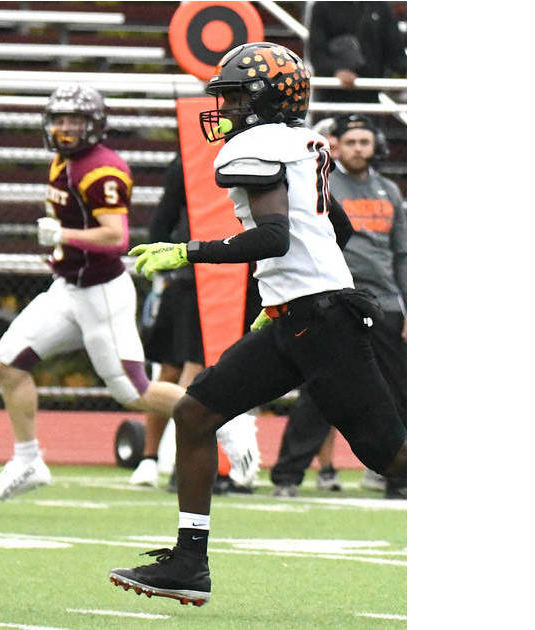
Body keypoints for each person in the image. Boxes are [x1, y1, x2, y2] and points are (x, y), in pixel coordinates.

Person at [109, 42, 406, 606]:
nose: (224, 108)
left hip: (322, 323)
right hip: (297, 318)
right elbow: (336, 229)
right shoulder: (301, 144)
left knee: (390, 456)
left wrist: (187, 251)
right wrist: (282, 297)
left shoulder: (259, 144)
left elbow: (273, 237)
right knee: (195, 413)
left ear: (265, 101)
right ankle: (189, 563)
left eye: (235, 96)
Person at [0, 84, 186, 503]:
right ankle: (28, 461)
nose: (66, 128)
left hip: (101, 292)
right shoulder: (64, 160)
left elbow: (115, 236)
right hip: (68, 287)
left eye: (75, 120)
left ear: (95, 124)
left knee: (134, 392)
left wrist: (63, 235)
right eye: (60, 119)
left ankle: (224, 417)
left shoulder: (101, 169)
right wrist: (63, 244)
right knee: (8, 363)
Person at [270, 113, 407, 499]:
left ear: (376, 146)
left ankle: (399, 478)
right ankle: (287, 476)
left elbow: (402, 254)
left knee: (398, 393)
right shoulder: (322, 183)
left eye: (365, 142)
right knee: (321, 390)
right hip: (337, 299)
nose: (359, 149)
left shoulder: (389, 190)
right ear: (338, 146)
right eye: (351, 142)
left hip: (385, 304)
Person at [132, 154, 260, 493]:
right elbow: (163, 218)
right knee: (182, 368)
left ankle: (222, 462)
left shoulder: (263, 155)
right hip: (195, 274)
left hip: (244, 274)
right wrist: (167, 263)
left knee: (230, 366)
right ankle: (164, 459)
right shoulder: (191, 160)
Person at [307, 2, 406, 104]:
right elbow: (317, 53)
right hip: (333, 97)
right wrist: (336, 71)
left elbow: (396, 55)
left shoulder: (381, 7)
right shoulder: (323, 6)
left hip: (370, 94)